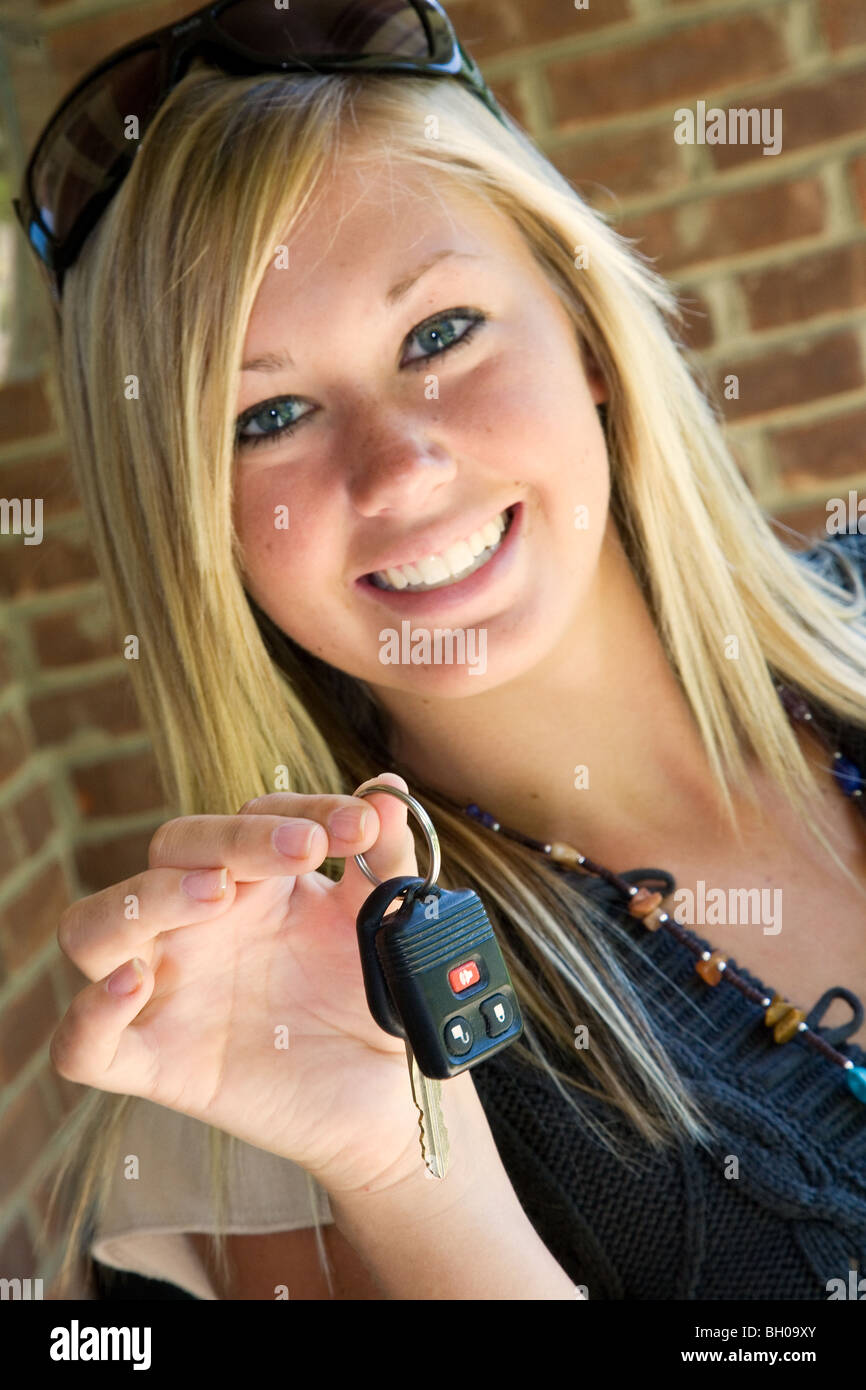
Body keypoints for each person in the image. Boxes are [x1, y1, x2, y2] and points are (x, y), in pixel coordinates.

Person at [15, 1, 866, 1301]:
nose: (400, 466)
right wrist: (412, 1182)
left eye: (437, 333)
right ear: (191, 521)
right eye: (272, 413)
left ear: (581, 327)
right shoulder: (290, 1039)